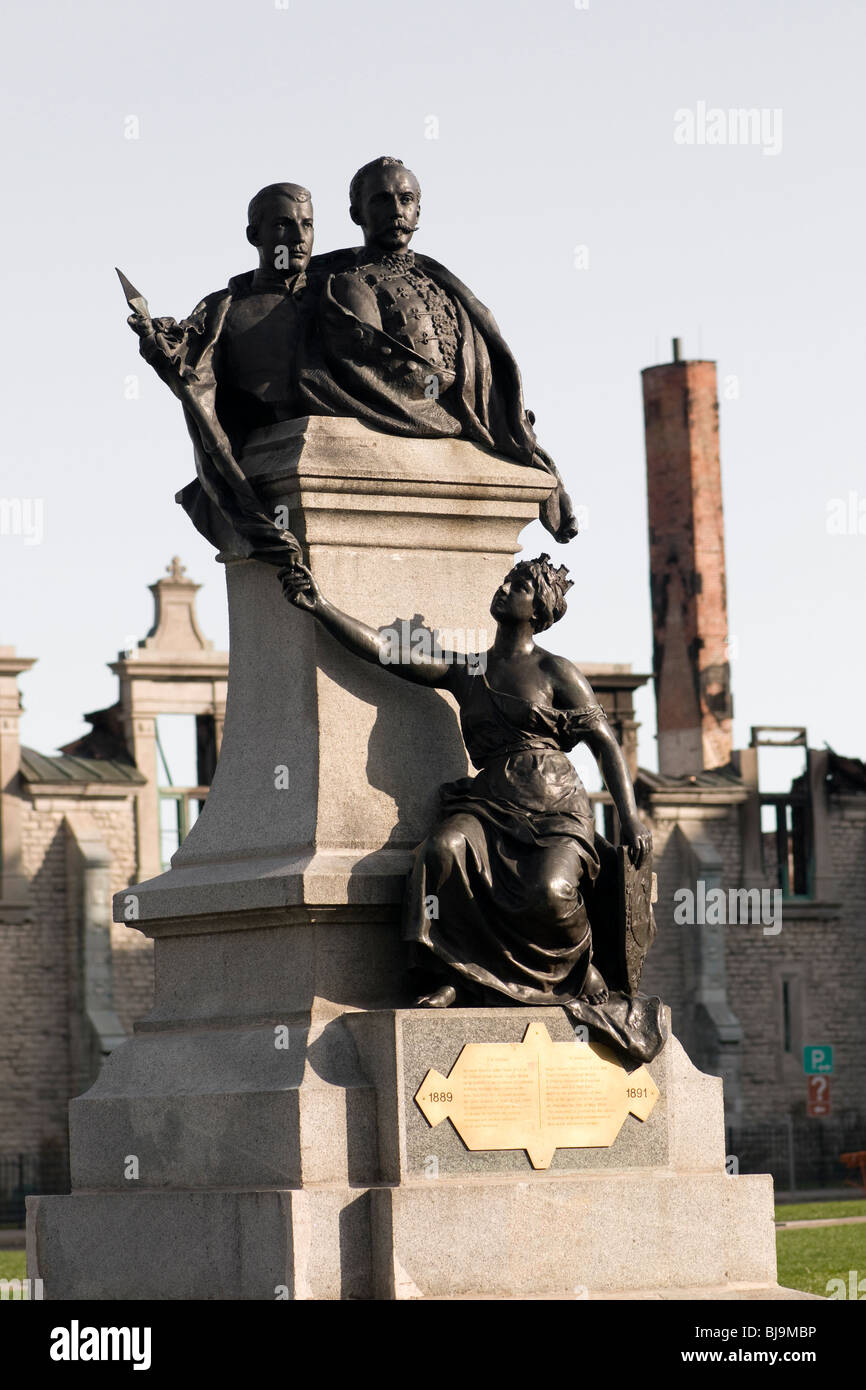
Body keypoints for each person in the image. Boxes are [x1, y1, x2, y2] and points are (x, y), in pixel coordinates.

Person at [279, 553, 665, 1061]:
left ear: (539, 608)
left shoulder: (556, 670)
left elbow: (605, 742)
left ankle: (582, 968)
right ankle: (453, 974)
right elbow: (385, 652)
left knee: (551, 891)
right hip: (491, 804)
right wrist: (321, 606)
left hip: (556, 809)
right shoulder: (470, 672)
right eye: (509, 579)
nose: (507, 587)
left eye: (521, 585)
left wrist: (630, 815)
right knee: (442, 849)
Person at [296, 157, 580, 545]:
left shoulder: (448, 288)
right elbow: (369, 367)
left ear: (418, 210)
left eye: (406, 199)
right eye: (381, 200)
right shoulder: (349, 288)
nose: (396, 209)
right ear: (356, 213)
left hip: (455, 419)